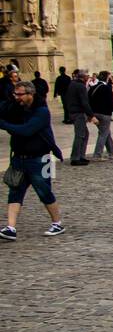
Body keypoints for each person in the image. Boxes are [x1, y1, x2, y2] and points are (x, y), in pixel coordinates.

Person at [0, 81, 65, 240]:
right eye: (16, 94)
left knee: (44, 191)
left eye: (20, 95)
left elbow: (26, 130)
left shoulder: (42, 111)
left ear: (31, 94)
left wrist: (4, 125)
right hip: (19, 158)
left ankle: (57, 223)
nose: (17, 98)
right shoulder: (17, 108)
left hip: (42, 158)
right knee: (15, 192)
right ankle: (11, 227)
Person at [89, 70, 113, 160]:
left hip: (95, 113)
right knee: (103, 133)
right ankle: (97, 155)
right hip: (105, 113)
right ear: (106, 77)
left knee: (106, 132)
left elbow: (88, 100)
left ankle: (112, 152)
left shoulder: (93, 87)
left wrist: (91, 114)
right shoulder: (106, 88)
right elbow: (112, 101)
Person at [66, 69, 92, 165]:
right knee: (80, 135)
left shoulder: (72, 84)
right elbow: (84, 102)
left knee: (84, 134)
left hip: (73, 112)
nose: (88, 77)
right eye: (87, 75)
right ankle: (76, 157)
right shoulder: (80, 86)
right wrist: (91, 115)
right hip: (78, 113)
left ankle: (81, 155)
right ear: (84, 77)